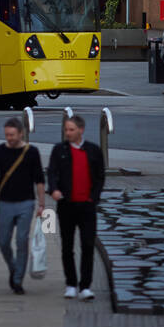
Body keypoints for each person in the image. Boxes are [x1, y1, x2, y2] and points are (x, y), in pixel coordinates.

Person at [0, 117, 46, 295]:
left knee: (21, 240)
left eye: (12, 135)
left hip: (26, 203)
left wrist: (42, 205)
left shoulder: (32, 152)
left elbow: (39, 181)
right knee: (3, 241)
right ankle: (13, 267)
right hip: (5, 202)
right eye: (6, 135)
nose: (9, 138)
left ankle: (18, 279)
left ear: (20, 133)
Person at [47, 114, 105, 300]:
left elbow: (100, 177)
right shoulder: (59, 150)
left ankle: (85, 286)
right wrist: (54, 190)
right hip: (66, 205)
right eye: (66, 130)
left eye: (71, 130)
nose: (68, 133)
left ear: (81, 130)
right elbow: (52, 172)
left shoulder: (93, 151)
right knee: (67, 246)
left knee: (88, 245)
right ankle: (71, 283)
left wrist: (93, 199)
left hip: (87, 206)